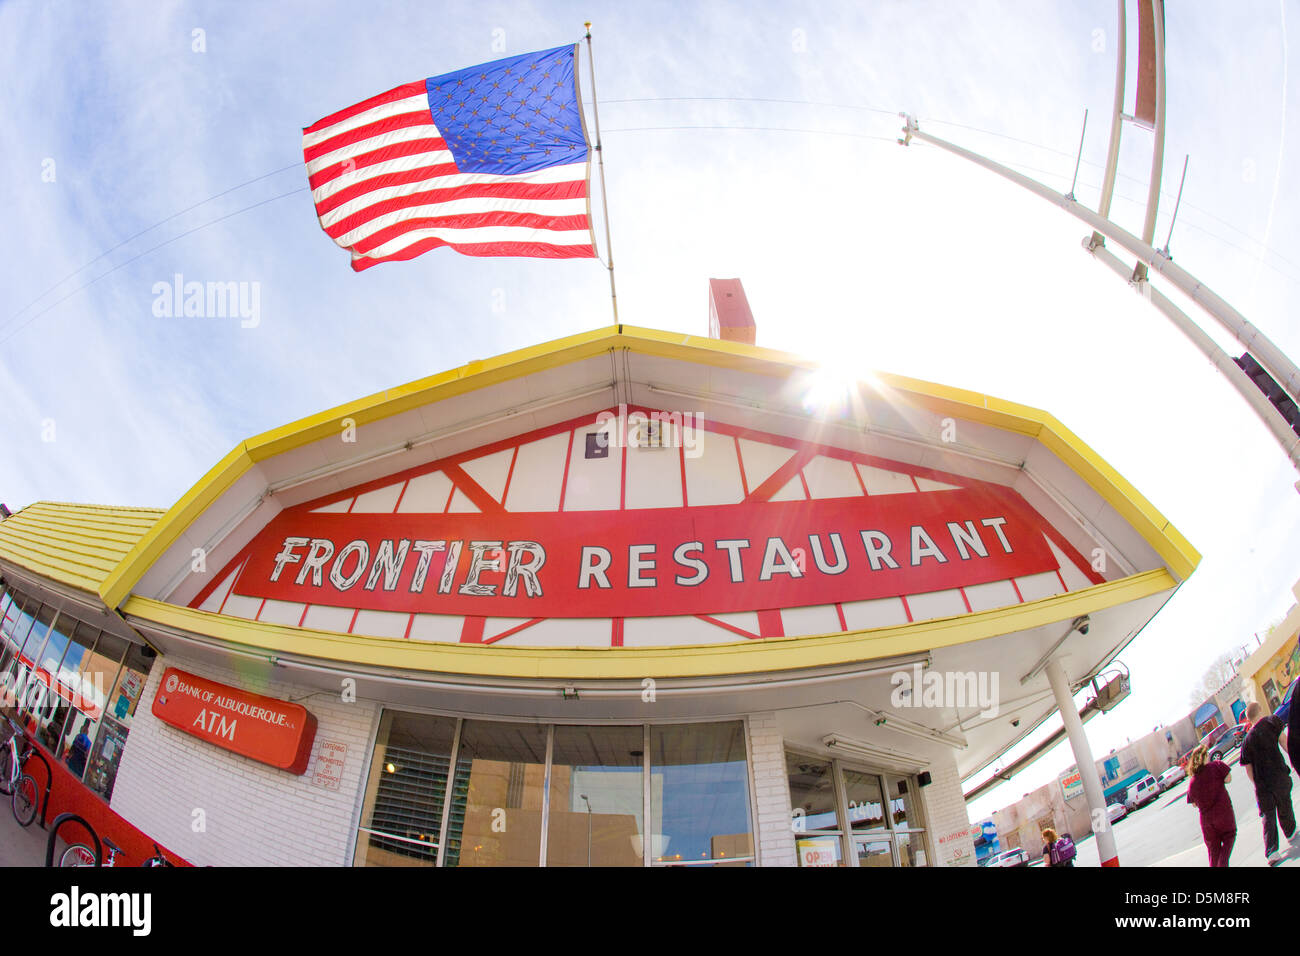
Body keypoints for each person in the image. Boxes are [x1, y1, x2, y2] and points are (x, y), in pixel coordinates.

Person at [1239, 701, 1298, 864]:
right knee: (1285, 803)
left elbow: (1248, 769)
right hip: (1278, 775)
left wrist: (1256, 784)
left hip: (1262, 786)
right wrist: (1294, 760)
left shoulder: (1246, 741)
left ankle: (1272, 851)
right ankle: (1291, 831)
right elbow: (1285, 742)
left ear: (1248, 719)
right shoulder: (1272, 722)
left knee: (1268, 816)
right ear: (1260, 711)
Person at [1185, 744, 1235, 867]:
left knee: (1213, 849)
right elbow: (1228, 779)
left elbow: (1194, 804)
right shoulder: (1217, 766)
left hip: (1207, 820)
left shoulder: (1193, 781)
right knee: (1229, 836)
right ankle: (1223, 864)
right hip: (1223, 812)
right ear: (1206, 756)